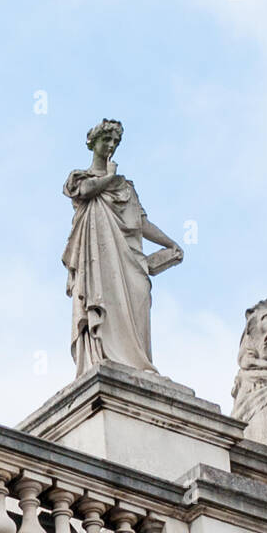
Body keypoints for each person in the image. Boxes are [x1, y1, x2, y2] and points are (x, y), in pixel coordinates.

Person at [61, 119, 183, 375]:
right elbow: (85, 192)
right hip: (98, 256)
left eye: (115, 142)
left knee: (140, 291)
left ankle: (137, 363)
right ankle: (101, 357)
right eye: (106, 140)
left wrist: (169, 242)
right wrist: (109, 176)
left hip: (129, 258)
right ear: (92, 143)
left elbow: (140, 222)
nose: (111, 146)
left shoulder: (126, 187)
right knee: (101, 298)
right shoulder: (80, 178)